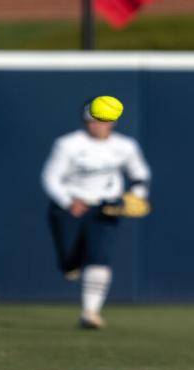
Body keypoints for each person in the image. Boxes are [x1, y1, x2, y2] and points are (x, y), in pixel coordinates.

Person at [41, 98, 151, 330]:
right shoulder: (68, 144)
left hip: (105, 207)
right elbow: (50, 177)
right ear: (86, 121)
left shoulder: (124, 146)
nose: (99, 126)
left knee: (99, 257)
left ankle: (90, 312)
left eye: (104, 121)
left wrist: (137, 195)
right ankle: (72, 265)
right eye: (94, 120)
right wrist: (68, 200)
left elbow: (139, 173)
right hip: (71, 206)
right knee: (70, 264)